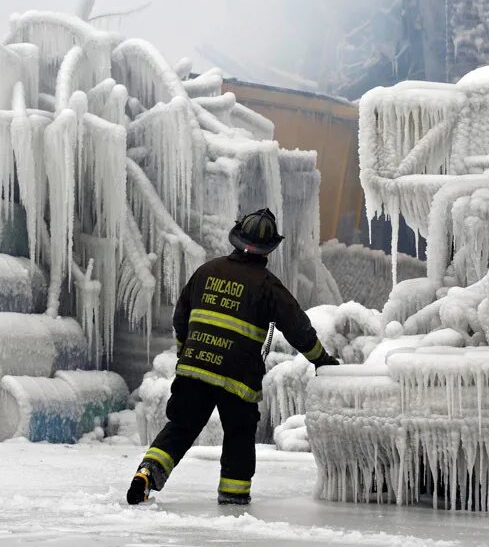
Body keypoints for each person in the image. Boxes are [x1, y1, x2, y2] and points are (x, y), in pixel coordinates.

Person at [126, 208, 339, 506]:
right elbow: (298, 329)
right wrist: (322, 361)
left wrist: (186, 353)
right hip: (237, 377)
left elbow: (181, 318)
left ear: (237, 239)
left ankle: (147, 472)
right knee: (239, 434)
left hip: (195, 369)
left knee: (181, 427)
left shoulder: (206, 272)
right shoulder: (268, 286)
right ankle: (233, 498)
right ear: (269, 248)